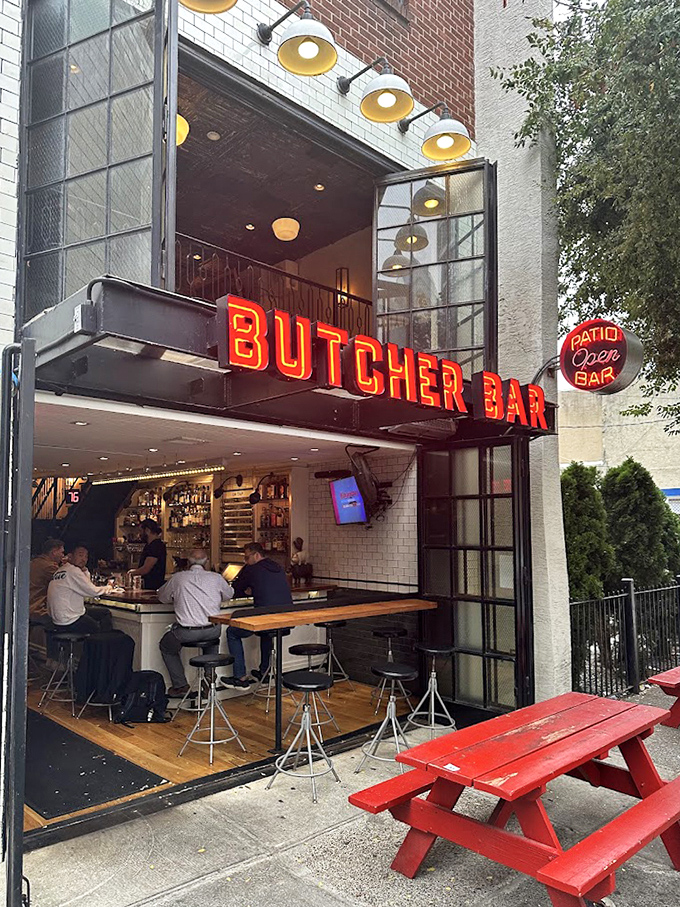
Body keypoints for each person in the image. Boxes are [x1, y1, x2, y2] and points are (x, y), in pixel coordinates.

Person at [157, 549, 234, 697]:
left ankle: (180, 686)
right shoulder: (216, 578)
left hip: (187, 633)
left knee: (166, 646)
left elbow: (162, 597)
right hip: (212, 629)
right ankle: (209, 680)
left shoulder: (178, 578)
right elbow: (229, 595)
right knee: (211, 641)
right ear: (206, 562)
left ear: (188, 561)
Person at [226, 541, 293, 687]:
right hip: (285, 619)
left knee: (232, 632)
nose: (246, 561)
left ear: (256, 555)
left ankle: (240, 677)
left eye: (247, 558)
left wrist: (246, 590)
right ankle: (265, 671)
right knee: (266, 632)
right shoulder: (277, 567)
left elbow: (235, 589)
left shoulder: (252, 569)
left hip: (265, 619)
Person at [47, 544, 115, 634]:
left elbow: (86, 585)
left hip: (57, 620)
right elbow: (93, 591)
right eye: (80, 555)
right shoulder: (73, 570)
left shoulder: (60, 570)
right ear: (70, 556)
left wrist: (84, 570)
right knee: (99, 626)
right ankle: (101, 644)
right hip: (70, 620)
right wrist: (109, 587)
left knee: (102, 613)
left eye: (86, 557)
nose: (83, 559)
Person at [29, 537, 64, 620]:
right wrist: (68, 566)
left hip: (28, 606)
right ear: (54, 552)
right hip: (39, 610)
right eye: (62, 552)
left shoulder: (35, 562)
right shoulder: (49, 567)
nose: (63, 556)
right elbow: (66, 581)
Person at [128, 519, 167, 590]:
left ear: (147, 531)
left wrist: (131, 573)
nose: (139, 535)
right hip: (147, 586)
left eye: (140, 531)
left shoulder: (156, 545)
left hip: (152, 588)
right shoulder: (150, 545)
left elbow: (146, 569)